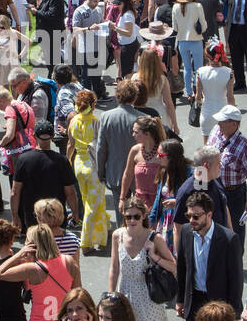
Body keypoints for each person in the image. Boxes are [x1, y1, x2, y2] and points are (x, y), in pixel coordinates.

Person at [108, 194, 175, 321]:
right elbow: (114, 268)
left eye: (136, 216)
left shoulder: (155, 238)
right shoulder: (117, 236)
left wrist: (154, 256)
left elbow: (174, 266)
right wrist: (110, 297)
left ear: (144, 215)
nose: (132, 221)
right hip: (125, 297)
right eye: (128, 217)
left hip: (148, 300)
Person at [174, 191, 242, 321]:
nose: (191, 220)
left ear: (209, 215)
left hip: (219, 304)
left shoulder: (228, 239)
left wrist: (235, 314)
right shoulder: (186, 232)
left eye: (196, 216)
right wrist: (180, 299)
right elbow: (182, 268)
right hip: (194, 301)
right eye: (189, 216)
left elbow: (236, 279)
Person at [206, 105, 247, 249]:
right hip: (214, 187)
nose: (218, 124)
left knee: (234, 231)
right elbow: (205, 155)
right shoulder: (216, 131)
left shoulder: (245, 146)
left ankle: (235, 265)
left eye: (222, 122)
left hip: (233, 194)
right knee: (213, 226)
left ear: (234, 124)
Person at [11, 121, 76, 233]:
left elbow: (15, 192)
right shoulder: (62, 161)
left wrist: (15, 216)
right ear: (52, 136)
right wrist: (75, 213)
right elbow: (70, 192)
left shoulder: (23, 160)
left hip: (34, 217)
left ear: (34, 135)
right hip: (57, 216)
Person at [65, 90, 109, 250]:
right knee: (94, 203)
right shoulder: (97, 121)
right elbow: (103, 147)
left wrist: (68, 160)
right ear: (93, 105)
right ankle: (87, 241)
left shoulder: (74, 120)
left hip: (79, 164)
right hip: (93, 165)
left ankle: (101, 233)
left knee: (86, 201)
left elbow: (70, 145)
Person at [95, 78, 146, 206]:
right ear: (135, 97)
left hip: (115, 171)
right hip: (139, 173)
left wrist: (100, 172)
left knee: (121, 211)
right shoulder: (143, 119)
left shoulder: (106, 117)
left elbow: (101, 148)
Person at [118, 115, 163, 213]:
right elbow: (127, 174)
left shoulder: (163, 151)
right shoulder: (135, 150)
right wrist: (122, 198)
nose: (133, 134)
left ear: (147, 134)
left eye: (136, 132)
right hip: (139, 203)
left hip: (159, 203)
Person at [195, 40, 234, 139]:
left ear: (207, 55)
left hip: (207, 114)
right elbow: (230, 98)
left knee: (206, 149)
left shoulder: (200, 72)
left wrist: (205, 101)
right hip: (223, 114)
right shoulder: (229, 73)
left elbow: (198, 98)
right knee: (224, 147)